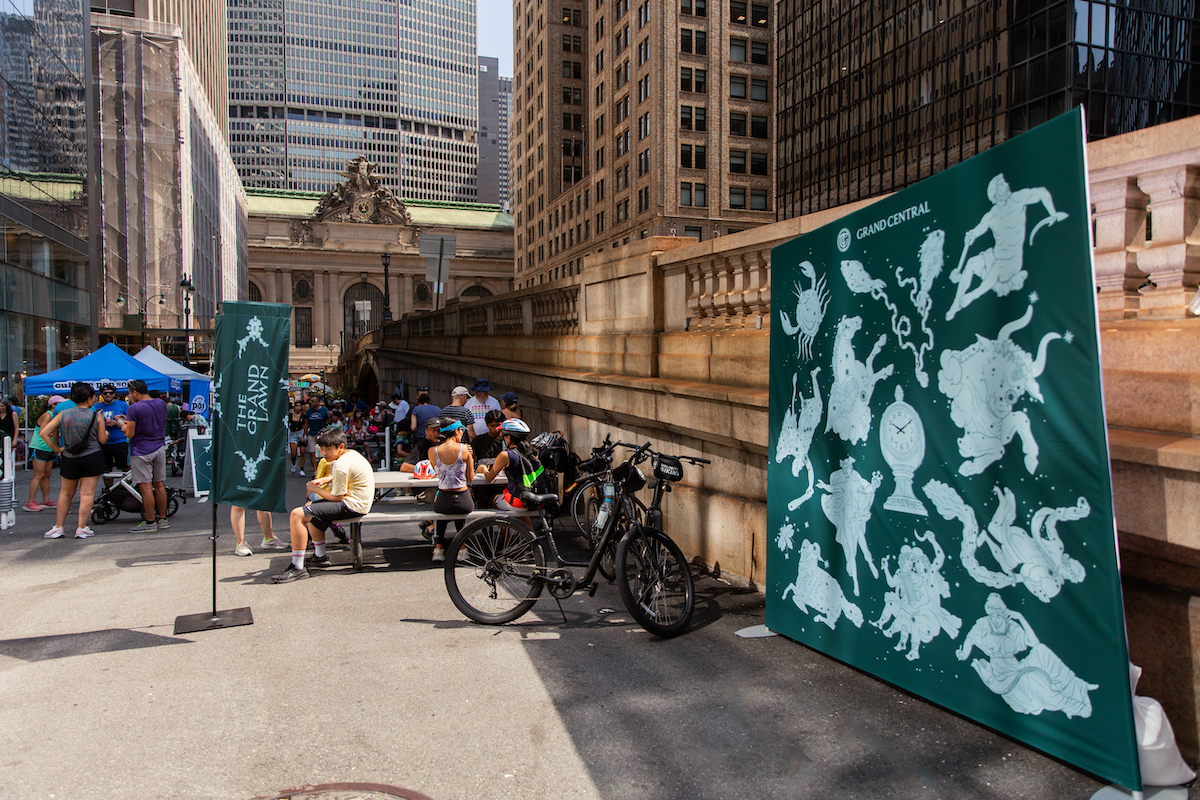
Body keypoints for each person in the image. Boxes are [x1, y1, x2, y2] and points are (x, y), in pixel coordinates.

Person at [273, 428, 375, 584]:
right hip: (360, 502)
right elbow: (342, 476)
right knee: (311, 510)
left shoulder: (340, 464)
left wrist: (316, 489)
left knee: (297, 514)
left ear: (340, 447)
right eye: (322, 449)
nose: (324, 453)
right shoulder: (351, 454)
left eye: (328, 449)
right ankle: (320, 556)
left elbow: (337, 497)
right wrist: (326, 479)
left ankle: (297, 568)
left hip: (352, 505)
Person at [38, 382, 108, 539]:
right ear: (89, 399)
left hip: (70, 457)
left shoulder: (64, 414)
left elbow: (44, 432)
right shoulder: (97, 416)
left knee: (65, 493)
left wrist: (57, 449)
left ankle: (58, 527)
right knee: (87, 493)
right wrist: (106, 434)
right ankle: (81, 528)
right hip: (92, 456)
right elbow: (102, 440)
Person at [124, 379, 169, 532]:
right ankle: (163, 519)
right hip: (159, 446)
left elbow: (130, 433)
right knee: (160, 484)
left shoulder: (134, 409)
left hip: (142, 449)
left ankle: (150, 522)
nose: (129, 397)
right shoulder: (160, 403)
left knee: (146, 487)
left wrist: (121, 425)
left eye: (129, 394)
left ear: (135, 392)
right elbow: (163, 421)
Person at [429, 416, 475, 563]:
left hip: (443, 499)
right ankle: (463, 549)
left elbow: (436, 471)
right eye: (461, 430)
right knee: (459, 514)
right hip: (463, 499)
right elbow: (470, 479)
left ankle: (438, 549)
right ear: (456, 431)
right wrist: (471, 458)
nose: (462, 433)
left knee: (442, 512)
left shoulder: (432, 451)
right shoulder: (465, 450)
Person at [475, 418, 539, 511]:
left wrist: (483, 469)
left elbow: (489, 478)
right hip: (535, 497)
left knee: (494, 499)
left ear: (508, 437)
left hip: (518, 500)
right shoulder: (533, 452)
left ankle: (505, 525)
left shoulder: (506, 454)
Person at [25, 395, 67, 512]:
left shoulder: (56, 416)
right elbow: (44, 431)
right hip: (39, 447)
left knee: (46, 475)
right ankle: (30, 501)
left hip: (49, 448)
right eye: (59, 404)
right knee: (38, 475)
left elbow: (53, 432)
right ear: (53, 405)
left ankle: (45, 500)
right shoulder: (48, 415)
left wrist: (56, 446)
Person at [469, 410, 507, 509]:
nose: (496, 429)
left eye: (498, 425)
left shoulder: (507, 440)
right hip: (483, 482)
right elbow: (471, 460)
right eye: (492, 426)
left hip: (503, 481)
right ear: (487, 425)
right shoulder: (478, 441)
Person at [94, 382, 130, 481]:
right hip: (104, 442)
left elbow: (131, 420)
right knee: (106, 469)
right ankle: (108, 492)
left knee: (125, 468)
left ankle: (127, 489)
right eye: (105, 393)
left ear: (114, 394)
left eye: (110, 393)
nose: (108, 395)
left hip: (120, 441)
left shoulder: (122, 405)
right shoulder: (96, 407)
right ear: (101, 394)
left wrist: (117, 422)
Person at [304, 395, 330, 472]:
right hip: (311, 433)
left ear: (318, 402)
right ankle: (315, 470)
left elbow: (328, 421)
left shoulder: (324, 410)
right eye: (310, 401)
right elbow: (306, 423)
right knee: (312, 452)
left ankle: (322, 469)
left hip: (321, 434)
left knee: (322, 452)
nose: (311, 403)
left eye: (313, 401)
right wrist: (304, 434)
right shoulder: (309, 411)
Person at [288, 400, 307, 475]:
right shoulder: (290, 415)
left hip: (301, 432)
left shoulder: (303, 416)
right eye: (297, 406)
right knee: (293, 453)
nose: (298, 407)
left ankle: (302, 469)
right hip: (293, 433)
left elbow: (305, 425)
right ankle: (293, 462)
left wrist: (304, 435)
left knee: (302, 452)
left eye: (299, 406)